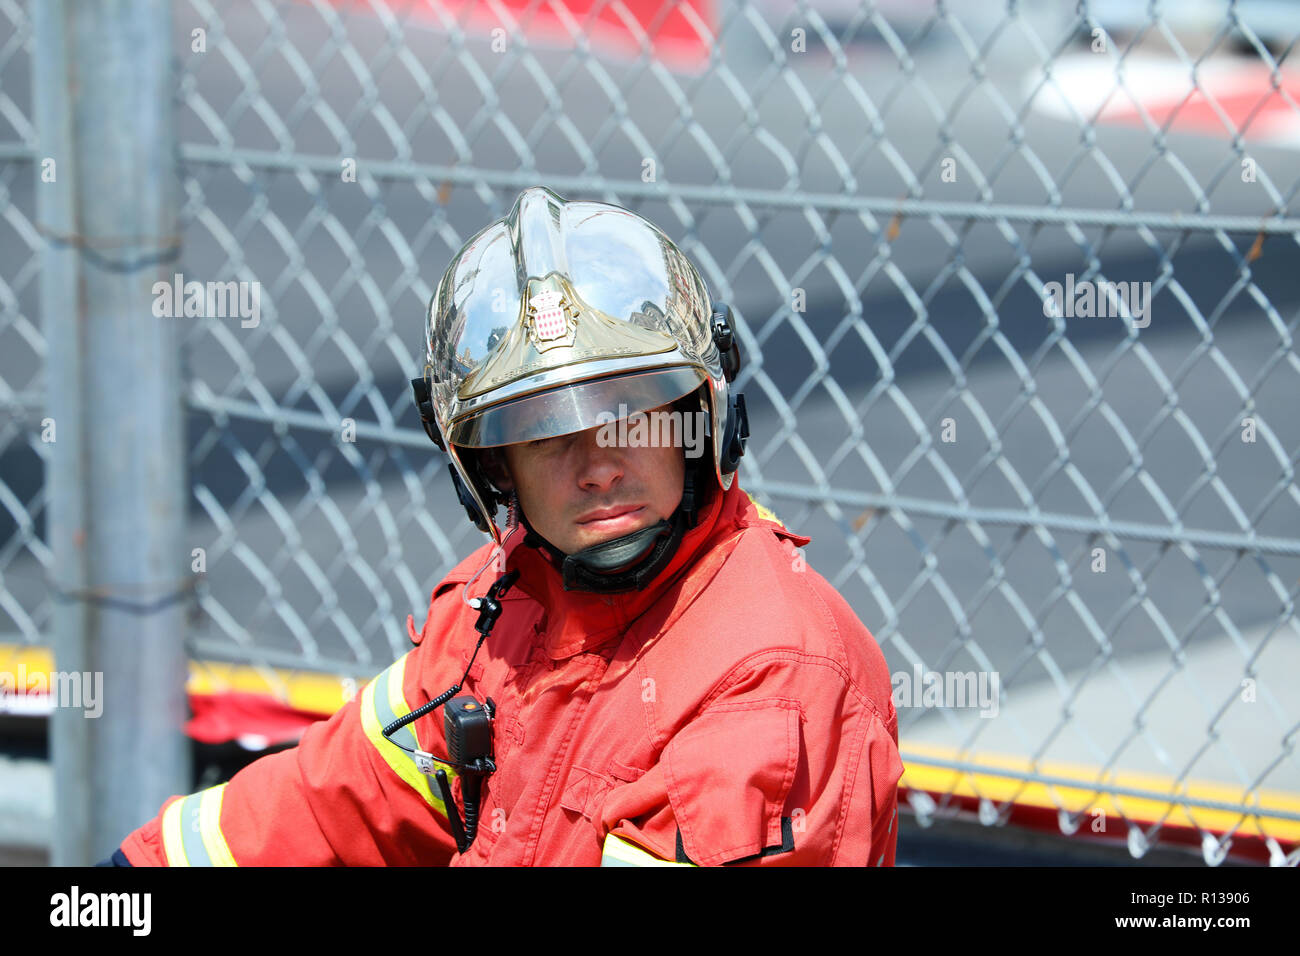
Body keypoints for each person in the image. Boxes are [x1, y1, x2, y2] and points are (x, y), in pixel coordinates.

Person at [105, 185, 903, 867]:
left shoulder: (772, 686)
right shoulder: (507, 598)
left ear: (699, 419)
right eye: (546, 435)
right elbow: (340, 796)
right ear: (493, 470)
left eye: (628, 417)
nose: (596, 465)